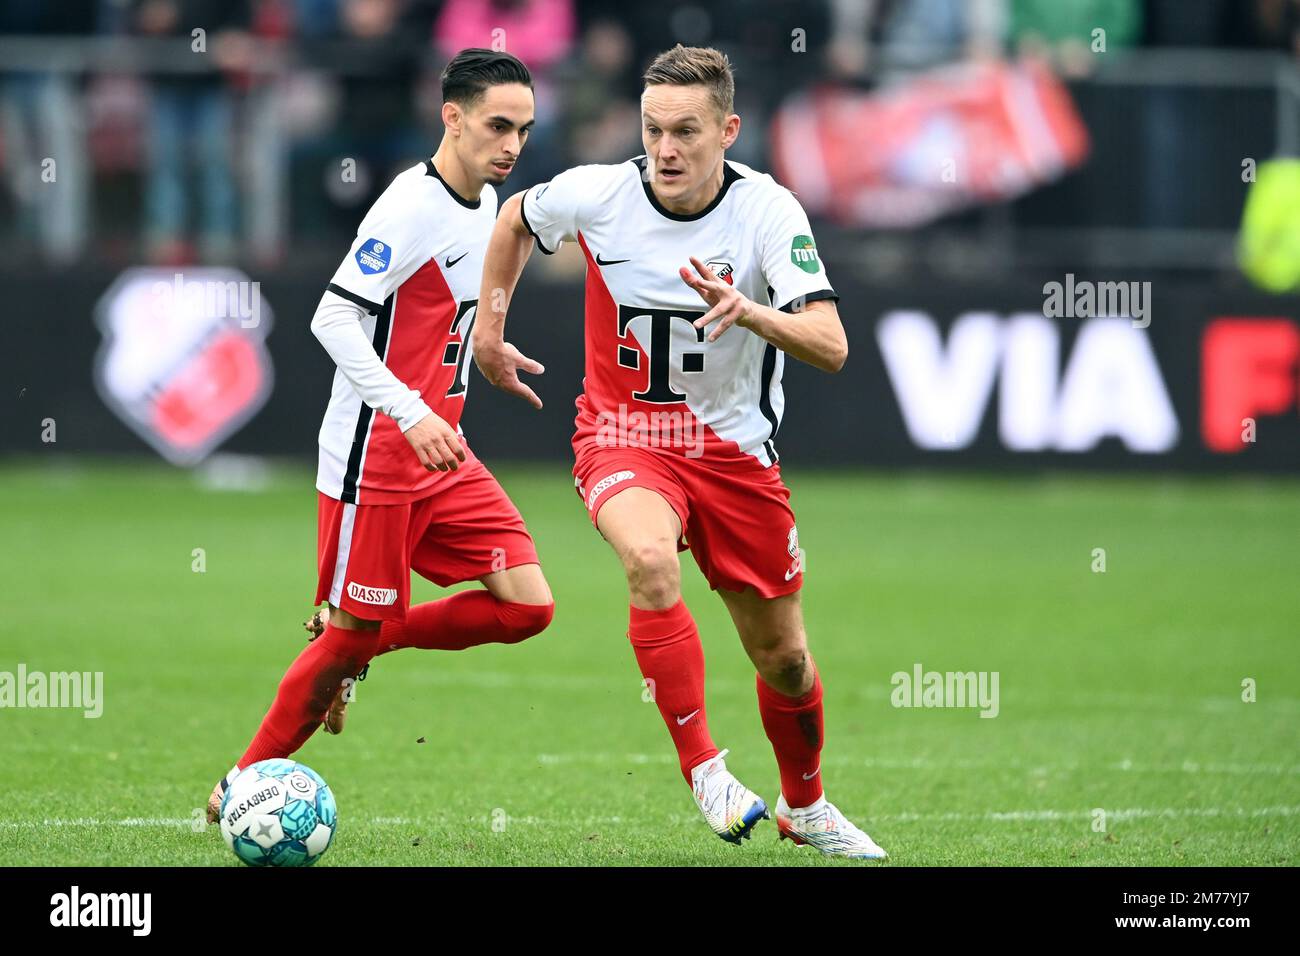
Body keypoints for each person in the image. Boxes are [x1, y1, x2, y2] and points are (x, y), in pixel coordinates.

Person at [473, 44, 885, 858]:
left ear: (728, 130)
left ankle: (806, 807)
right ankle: (703, 767)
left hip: (734, 455)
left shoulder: (769, 213)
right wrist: (489, 328)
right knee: (650, 563)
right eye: (653, 128)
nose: (665, 148)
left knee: (787, 662)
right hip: (624, 436)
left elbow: (832, 345)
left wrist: (753, 311)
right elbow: (517, 217)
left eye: (687, 132)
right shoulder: (599, 192)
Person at [207, 48, 554, 823]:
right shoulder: (410, 206)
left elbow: (470, 291)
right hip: (382, 458)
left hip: (445, 450)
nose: (512, 145)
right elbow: (332, 316)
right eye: (499, 126)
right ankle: (241, 785)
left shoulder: (487, 203)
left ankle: (369, 641)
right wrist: (411, 410)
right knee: (343, 643)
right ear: (452, 117)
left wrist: (488, 348)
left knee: (528, 607)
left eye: (525, 130)